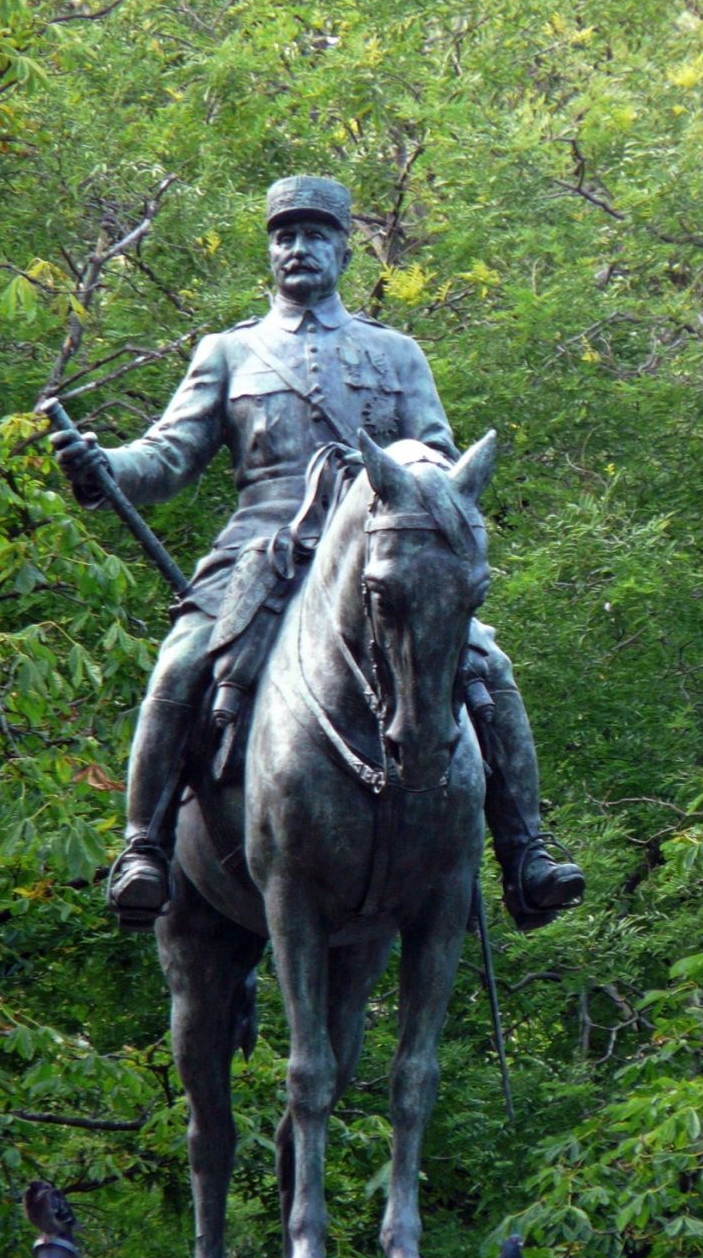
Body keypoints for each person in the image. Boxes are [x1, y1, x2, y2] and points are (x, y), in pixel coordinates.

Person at [51, 176, 583, 931]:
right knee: (183, 660)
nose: (297, 249)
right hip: (262, 551)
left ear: (343, 251)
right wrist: (104, 466)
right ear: (271, 252)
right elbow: (168, 456)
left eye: (314, 236)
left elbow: (437, 457)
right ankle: (145, 845)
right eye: (284, 237)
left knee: (485, 663)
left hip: (380, 551)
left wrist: (420, 490)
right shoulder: (230, 351)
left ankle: (525, 849)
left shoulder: (395, 353)